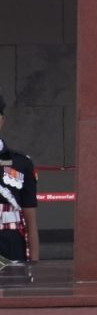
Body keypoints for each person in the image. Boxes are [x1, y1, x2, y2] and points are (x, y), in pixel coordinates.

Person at [0, 95, 38, 267]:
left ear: (1, 120)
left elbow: (31, 221)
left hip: (12, 245)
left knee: (12, 292)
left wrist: (35, 265)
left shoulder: (21, 163)